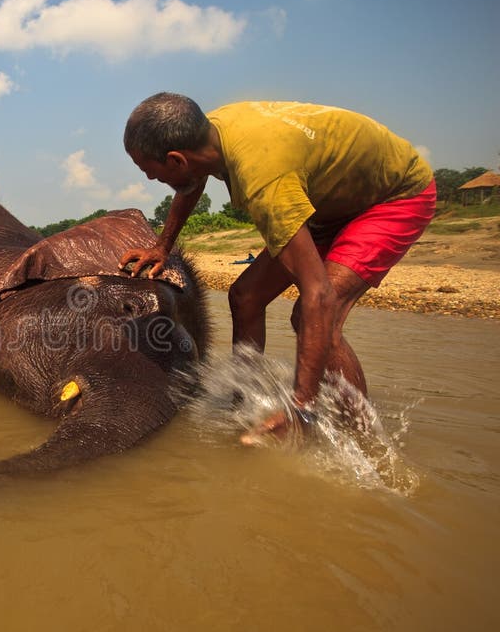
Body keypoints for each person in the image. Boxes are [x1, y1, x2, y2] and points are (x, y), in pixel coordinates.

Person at [119, 94, 435, 444]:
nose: (149, 178)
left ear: (176, 160)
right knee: (245, 296)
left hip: (391, 199)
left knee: (312, 316)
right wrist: (163, 246)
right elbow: (193, 181)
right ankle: (243, 398)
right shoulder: (210, 136)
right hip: (326, 202)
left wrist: (301, 403)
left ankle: (358, 436)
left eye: (149, 169)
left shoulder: (264, 179)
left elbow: (320, 295)